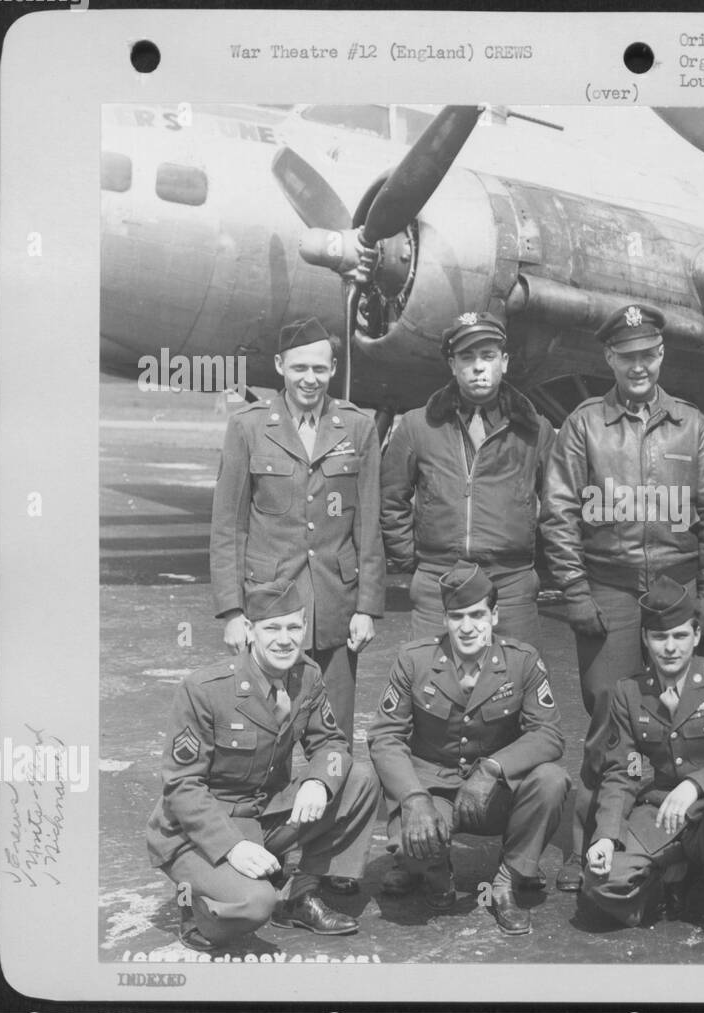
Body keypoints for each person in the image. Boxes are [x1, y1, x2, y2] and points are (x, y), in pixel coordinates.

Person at [542, 303, 704, 890]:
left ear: (661, 356)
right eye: (627, 357)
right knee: (605, 710)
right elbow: (559, 513)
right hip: (610, 588)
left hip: (679, 585)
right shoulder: (583, 425)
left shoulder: (692, 426)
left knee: (690, 710)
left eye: (648, 354)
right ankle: (590, 841)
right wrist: (575, 590)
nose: (639, 366)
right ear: (609, 360)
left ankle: (691, 840)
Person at [146, 580, 380, 951]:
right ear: (250, 631)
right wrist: (232, 848)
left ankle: (299, 895)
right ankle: (194, 903)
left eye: (294, 628)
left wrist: (318, 782)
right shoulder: (205, 689)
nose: (285, 639)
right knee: (255, 905)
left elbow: (332, 744)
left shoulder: (307, 675)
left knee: (358, 778)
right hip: (203, 828)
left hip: (264, 814)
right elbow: (182, 787)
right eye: (272, 628)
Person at [366, 561, 570, 935]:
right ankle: (435, 872)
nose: (467, 626)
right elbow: (384, 735)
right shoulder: (414, 660)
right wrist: (413, 798)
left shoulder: (522, 661)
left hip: (495, 794)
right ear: (445, 619)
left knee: (552, 780)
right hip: (436, 792)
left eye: (477, 614)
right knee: (414, 842)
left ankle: (507, 881)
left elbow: (549, 734)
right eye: (456, 616)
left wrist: (493, 766)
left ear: (494, 615)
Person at [210, 315, 385, 744]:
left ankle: (333, 808)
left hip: (335, 607)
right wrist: (233, 612)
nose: (310, 379)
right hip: (269, 607)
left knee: (334, 734)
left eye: (320, 369)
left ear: (333, 368)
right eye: (299, 368)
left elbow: (368, 524)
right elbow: (228, 528)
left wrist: (367, 608)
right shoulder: (247, 427)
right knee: (264, 732)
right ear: (279, 366)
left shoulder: (358, 427)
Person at [581, 577, 704, 958]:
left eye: (680, 636)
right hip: (660, 816)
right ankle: (674, 874)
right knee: (600, 884)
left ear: (697, 635)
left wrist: (697, 785)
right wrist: (606, 835)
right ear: (645, 640)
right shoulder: (629, 692)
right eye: (658, 637)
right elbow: (624, 771)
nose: (669, 647)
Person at [380, 311, 555, 644]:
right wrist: (413, 561)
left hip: (511, 583)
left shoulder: (537, 431)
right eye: (467, 357)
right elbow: (391, 499)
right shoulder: (417, 426)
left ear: (504, 362)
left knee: (515, 683)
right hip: (439, 581)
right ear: (452, 365)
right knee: (433, 684)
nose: (478, 366)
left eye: (487, 356)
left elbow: (558, 505)